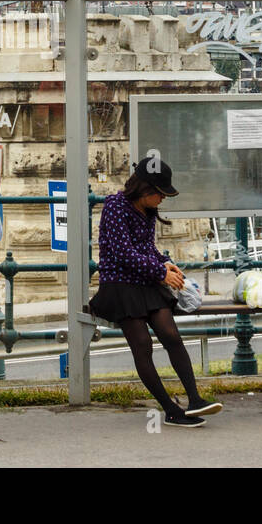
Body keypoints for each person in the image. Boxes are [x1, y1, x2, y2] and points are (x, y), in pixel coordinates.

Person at [89, 157, 222, 428]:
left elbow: (146, 248)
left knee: (171, 334)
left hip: (145, 282)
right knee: (143, 345)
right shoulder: (115, 206)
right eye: (161, 193)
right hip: (119, 286)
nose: (163, 199)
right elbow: (122, 252)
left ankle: (194, 399)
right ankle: (170, 409)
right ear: (146, 189)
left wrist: (163, 262)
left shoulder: (147, 213)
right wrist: (160, 273)